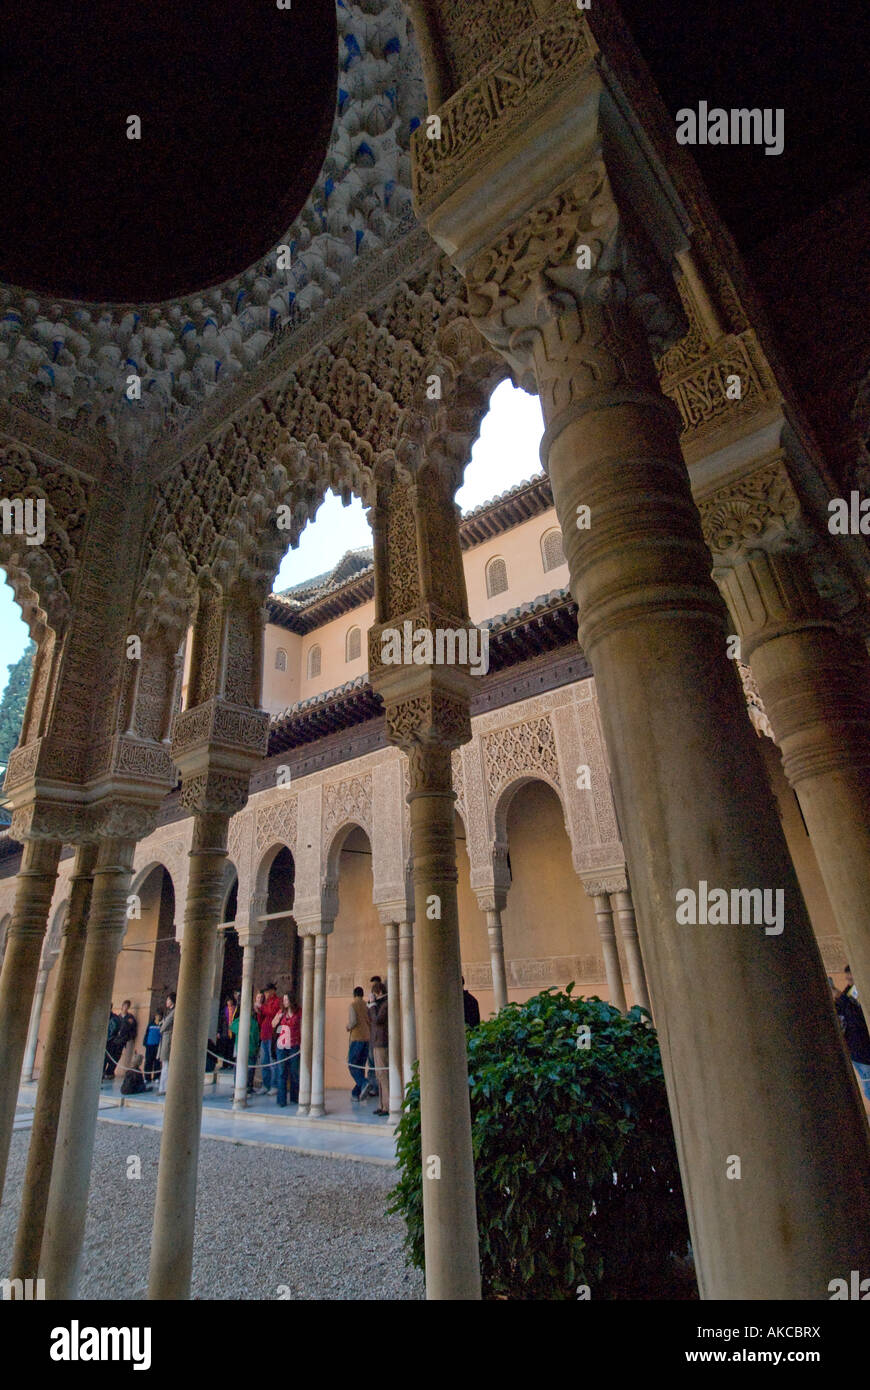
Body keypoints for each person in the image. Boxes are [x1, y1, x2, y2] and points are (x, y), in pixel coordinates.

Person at [835, 965, 870, 1107]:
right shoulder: (850, 991)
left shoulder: (860, 990)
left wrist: (841, 999)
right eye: (847, 978)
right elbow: (841, 1007)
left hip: (863, 1050)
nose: (848, 981)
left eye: (851, 978)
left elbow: (857, 1015)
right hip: (856, 1051)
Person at [274, 992, 302, 1107]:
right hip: (282, 1045)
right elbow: (273, 1024)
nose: (285, 1002)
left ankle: (295, 1097)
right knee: (282, 1072)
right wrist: (278, 1018)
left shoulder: (298, 1011)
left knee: (294, 1071)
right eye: (284, 1000)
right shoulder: (281, 1012)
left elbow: (303, 1025)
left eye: (286, 999)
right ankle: (282, 1100)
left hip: (294, 1044)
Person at [360, 975, 383, 1100]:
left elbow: (377, 1019)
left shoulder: (381, 1004)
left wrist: (373, 1004)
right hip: (371, 1036)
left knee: (378, 1064)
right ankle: (371, 1087)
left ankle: (378, 1089)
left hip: (379, 1039)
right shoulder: (371, 1002)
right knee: (371, 1064)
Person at [257, 983, 282, 1095]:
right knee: (264, 1061)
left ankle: (274, 1085)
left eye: (267, 991)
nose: (266, 994)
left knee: (273, 1062)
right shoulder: (265, 1003)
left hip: (272, 1035)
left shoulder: (277, 1001)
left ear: (272, 991)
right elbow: (261, 1018)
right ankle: (265, 1085)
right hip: (264, 1035)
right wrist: (258, 1010)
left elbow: (272, 1012)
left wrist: (261, 1007)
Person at [369, 980, 390, 1116]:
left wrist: (372, 1005)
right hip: (376, 1042)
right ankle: (382, 1105)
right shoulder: (378, 1005)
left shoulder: (385, 1004)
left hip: (382, 1042)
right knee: (378, 1075)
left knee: (383, 1075)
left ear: (380, 992)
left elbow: (377, 1020)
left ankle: (388, 1105)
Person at [347, 986, 370, 1100]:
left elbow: (353, 1021)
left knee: (352, 1065)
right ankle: (356, 1093)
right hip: (367, 1038)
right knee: (360, 1066)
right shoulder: (367, 1005)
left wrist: (348, 1027)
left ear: (354, 995)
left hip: (357, 1038)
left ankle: (364, 1083)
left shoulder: (353, 1005)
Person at [231, 1002, 260, 1093]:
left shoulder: (239, 1021)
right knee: (250, 1070)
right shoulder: (254, 1023)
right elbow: (256, 1038)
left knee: (239, 1069)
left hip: (241, 1049)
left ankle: (238, 1087)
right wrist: (256, 1047)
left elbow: (232, 1027)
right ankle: (247, 1087)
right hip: (250, 1049)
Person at [157, 992, 176, 1095]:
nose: (166, 1002)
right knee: (165, 1064)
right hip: (165, 1039)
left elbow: (164, 1026)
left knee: (166, 1065)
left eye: (168, 1000)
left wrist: (161, 1026)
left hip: (168, 1039)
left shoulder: (173, 1012)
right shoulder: (169, 1012)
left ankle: (163, 1088)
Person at [116, 999, 138, 1074]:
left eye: (127, 1006)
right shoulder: (118, 1017)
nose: (125, 1008)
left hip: (125, 1038)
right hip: (116, 1038)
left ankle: (126, 1071)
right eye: (124, 1006)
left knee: (123, 1055)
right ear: (122, 1006)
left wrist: (131, 1037)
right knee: (114, 1054)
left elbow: (133, 1028)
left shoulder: (130, 1017)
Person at [144, 1010, 163, 1084]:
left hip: (157, 1045)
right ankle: (147, 1077)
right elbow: (146, 1033)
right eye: (157, 1015)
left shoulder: (161, 1024)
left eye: (160, 1015)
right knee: (148, 1061)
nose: (158, 1017)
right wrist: (145, 1043)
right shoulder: (150, 1024)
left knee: (157, 1062)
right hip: (150, 1045)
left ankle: (156, 1077)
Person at [103, 1005, 122, 1079]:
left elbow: (114, 1030)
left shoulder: (115, 1018)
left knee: (110, 1059)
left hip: (111, 1042)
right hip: (104, 1042)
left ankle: (108, 1073)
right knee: (103, 1060)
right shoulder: (104, 1016)